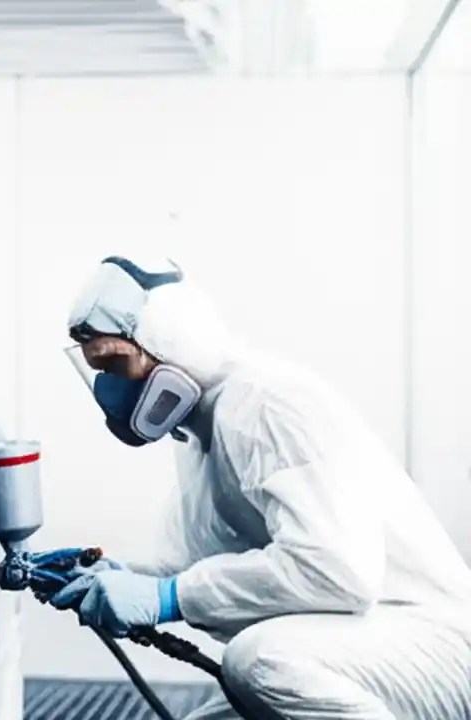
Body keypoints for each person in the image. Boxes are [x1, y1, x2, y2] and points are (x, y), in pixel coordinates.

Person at [51, 255, 471, 719]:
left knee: (259, 661)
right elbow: (192, 568)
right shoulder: (198, 435)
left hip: (432, 641)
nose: (109, 388)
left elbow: (335, 572)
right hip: (366, 640)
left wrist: (166, 597)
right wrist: (116, 576)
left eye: (115, 364)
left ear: (168, 342)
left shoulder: (266, 405)